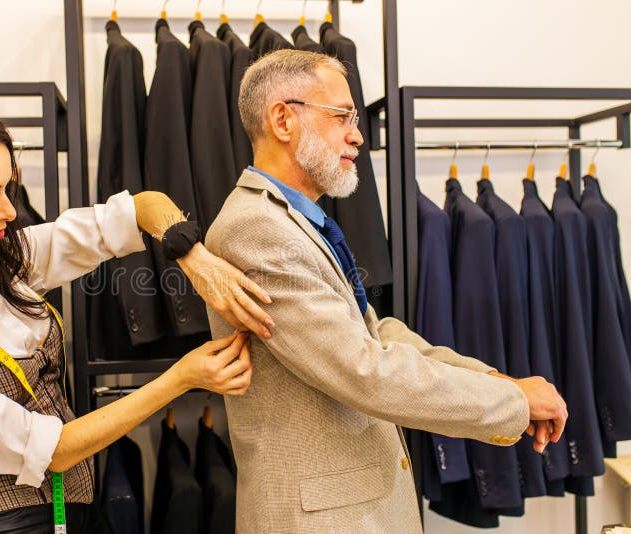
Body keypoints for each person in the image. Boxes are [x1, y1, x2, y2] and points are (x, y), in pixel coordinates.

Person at [0, 86, 272, 532]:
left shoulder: (9, 260)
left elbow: (141, 207)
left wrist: (195, 258)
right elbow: (54, 451)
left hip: (77, 509)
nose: (10, 212)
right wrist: (181, 378)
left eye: (7, 189)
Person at [204, 50, 568, 533]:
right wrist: (513, 403)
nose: (357, 135)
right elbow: (365, 370)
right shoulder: (256, 229)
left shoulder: (294, 220)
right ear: (283, 120)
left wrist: (500, 384)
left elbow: (375, 333)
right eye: (341, 117)